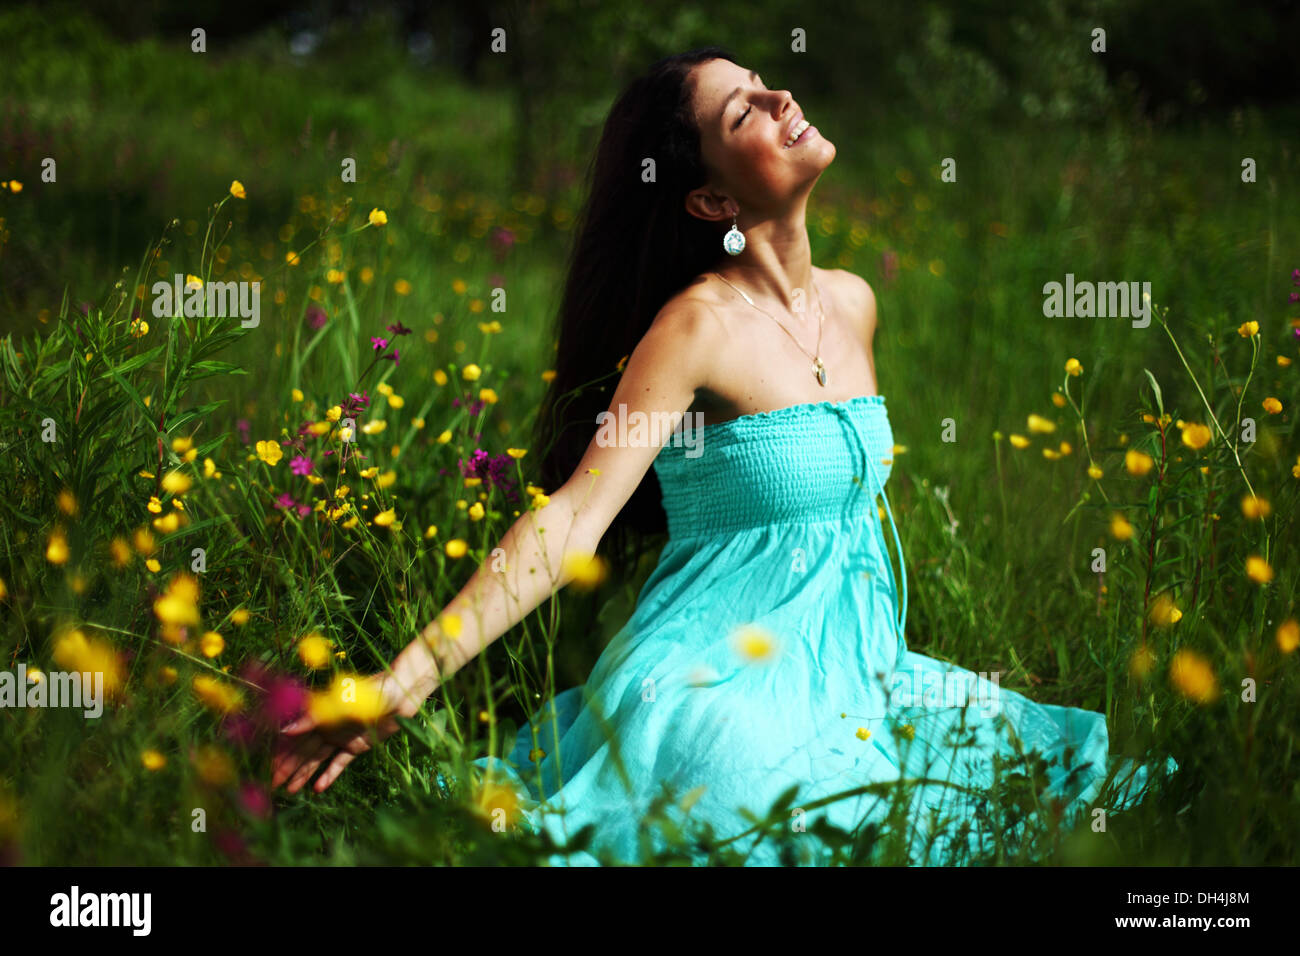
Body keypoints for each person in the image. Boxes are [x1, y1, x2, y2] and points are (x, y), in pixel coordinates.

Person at [271, 47, 1174, 865]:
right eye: (743, 111)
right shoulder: (694, 327)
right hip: (718, 683)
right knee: (760, 800)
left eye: (765, 83)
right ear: (711, 202)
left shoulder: (854, 304)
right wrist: (405, 680)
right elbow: (575, 515)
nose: (783, 97)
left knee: (1021, 763)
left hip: (860, 676)